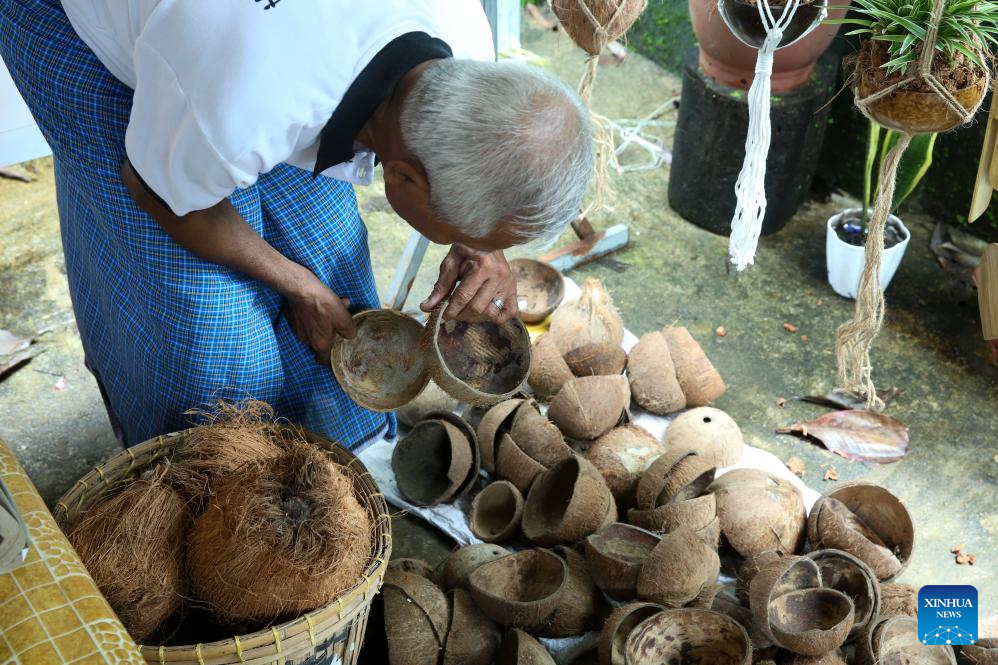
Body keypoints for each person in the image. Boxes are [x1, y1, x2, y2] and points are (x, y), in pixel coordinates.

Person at [0, 0, 594, 449]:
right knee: (215, 352)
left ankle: (338, 454)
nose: (480, 255)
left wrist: (479, 246)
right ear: (404, 180)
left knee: (333, 261)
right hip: (96, 24)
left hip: (243, 56)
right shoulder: (238, 106)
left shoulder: (464, 40)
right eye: (474, 239)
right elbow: (157, 192)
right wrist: (296, 284)